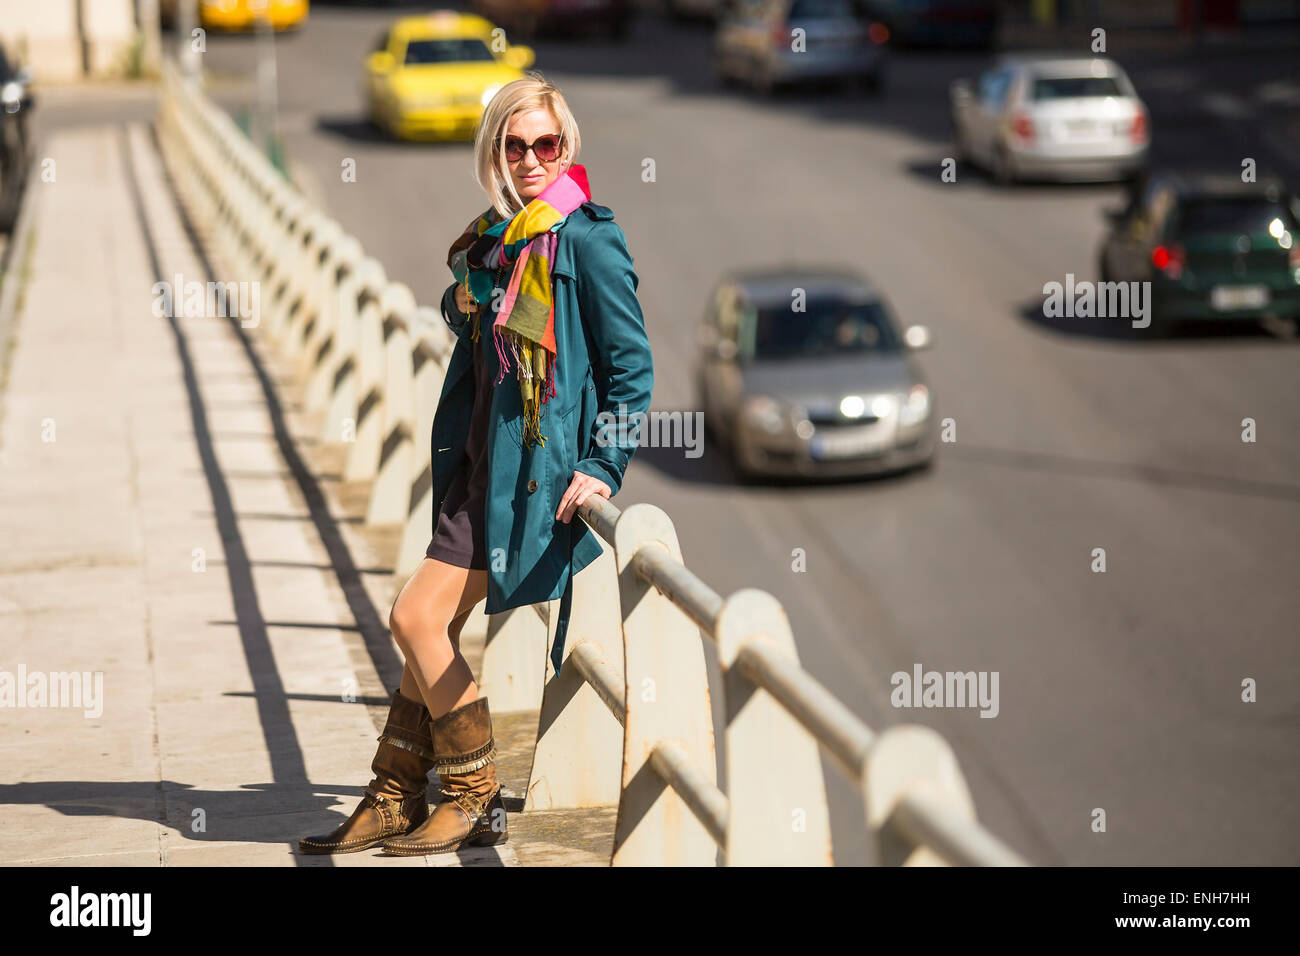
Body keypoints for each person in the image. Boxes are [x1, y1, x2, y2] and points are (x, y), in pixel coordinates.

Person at [299, 73, 654, 856]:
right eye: (515, 144)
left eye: (546, 145)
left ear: (567, 149)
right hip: (478, 462)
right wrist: (458, 303)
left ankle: (473, 788)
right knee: (434, 625)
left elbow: (632, 368)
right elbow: (466, 311)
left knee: (415, 618)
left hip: (530, 475)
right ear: (495, 149)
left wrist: (605, 462)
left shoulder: (587, 239)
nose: (531, 159)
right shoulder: (501, 236)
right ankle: (395, 791)